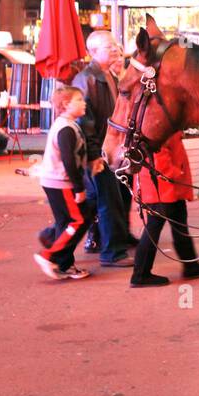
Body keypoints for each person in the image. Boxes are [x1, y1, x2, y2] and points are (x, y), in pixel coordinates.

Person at [72, 30, 136, 267]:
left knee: (112, 197)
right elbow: (83, 121)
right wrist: (94, 154)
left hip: (111, 149)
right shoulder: (87, 79)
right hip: (100, 152)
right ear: (93, 51)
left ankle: (117, 240)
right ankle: (112, 252)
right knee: (106, 200)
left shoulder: (108, 75)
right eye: (108, 46)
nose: (114, 48)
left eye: (114, 45)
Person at [129, 131, 199, 287]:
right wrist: (177, 173)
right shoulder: (157, 127)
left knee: (179, 225)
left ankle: (190, 265)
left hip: (165, 187)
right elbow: (159, 158)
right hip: (162, 187)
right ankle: (140, 274)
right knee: (155, 228)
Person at [33, 85, 92, 281]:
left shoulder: (66, 124)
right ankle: (50, 256)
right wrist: (79, 188)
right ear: (66, 104)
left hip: (54, 180)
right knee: (78, 220)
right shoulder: (66, 128)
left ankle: (65, 264)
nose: (84, 103)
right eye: (79, 100)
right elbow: (68, 161)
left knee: (65, 222)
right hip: (61, 182)